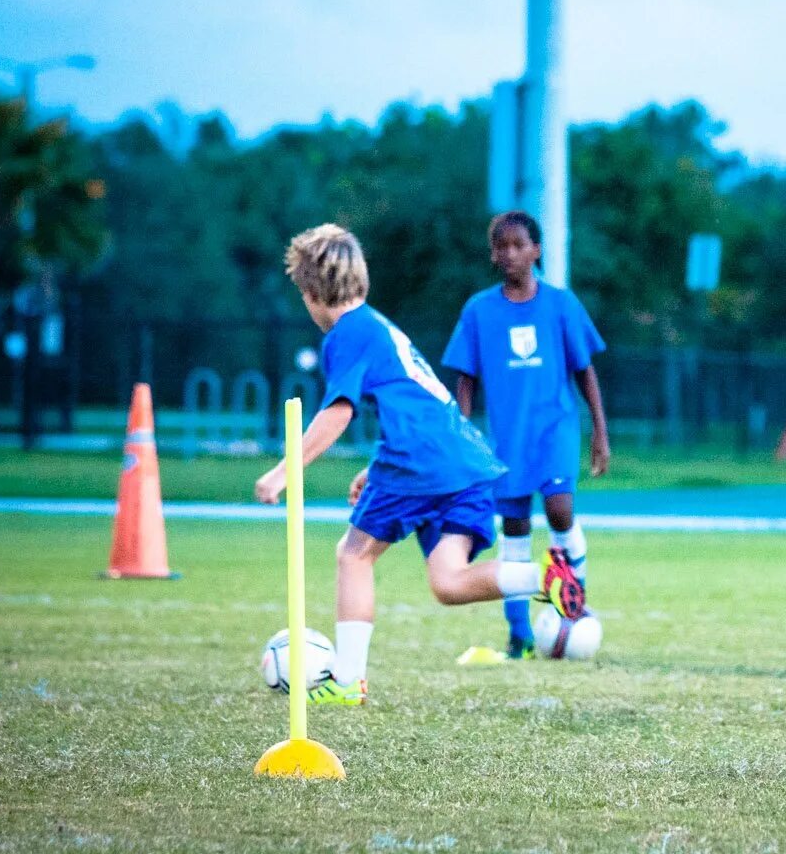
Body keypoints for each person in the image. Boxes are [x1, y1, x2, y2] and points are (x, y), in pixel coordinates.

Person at [255, 223, 584, 704]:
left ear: (309, 291)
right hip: (463, 460)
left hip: (422, 461)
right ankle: (544, 578)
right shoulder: (381, 327)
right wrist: (378, 467)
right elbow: (418, 405)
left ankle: (347, 681)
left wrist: (285, 470)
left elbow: (337, 412)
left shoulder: (347, 334)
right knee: (447, 582)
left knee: (354, 554)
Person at [443, 211, 610, 659]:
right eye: (502, 246)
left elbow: (585, 371)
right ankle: (519, 635)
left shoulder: (561, 304)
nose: (511, 253)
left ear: (537, 250)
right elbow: (465, 380)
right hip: (507, 438)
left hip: (554, 428)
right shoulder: (479, 310)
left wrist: (600, 432)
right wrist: (462, 439)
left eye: (520, 244)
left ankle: (572, 604)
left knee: (559, 511)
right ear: (494, 254)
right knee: (514, 528)